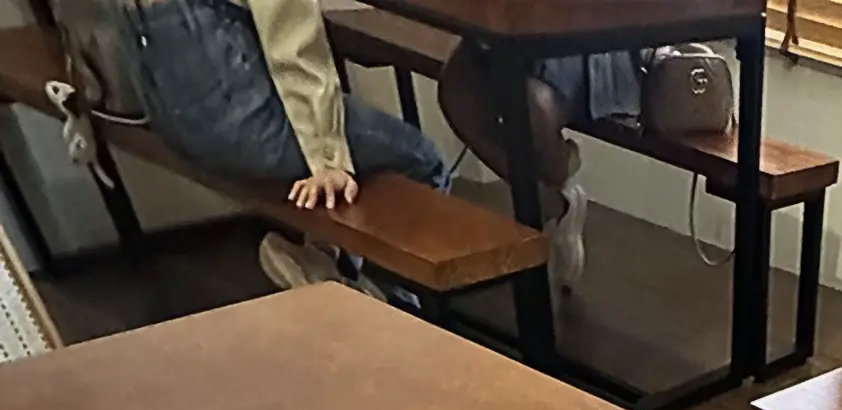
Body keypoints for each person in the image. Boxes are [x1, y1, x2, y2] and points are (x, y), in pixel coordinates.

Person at [121, 0, 445, 288]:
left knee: (351, 135)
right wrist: (328, 159)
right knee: (421, 160)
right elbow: (292, 40)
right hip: (238, 123)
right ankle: (392, 305)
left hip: (167, 115)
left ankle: (327, 258)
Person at [438, 49, 648, 293]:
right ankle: (552, 200)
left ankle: (557, 173)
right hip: (513, 49)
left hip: (597, 56)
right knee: (455, 90)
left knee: (530, 104)